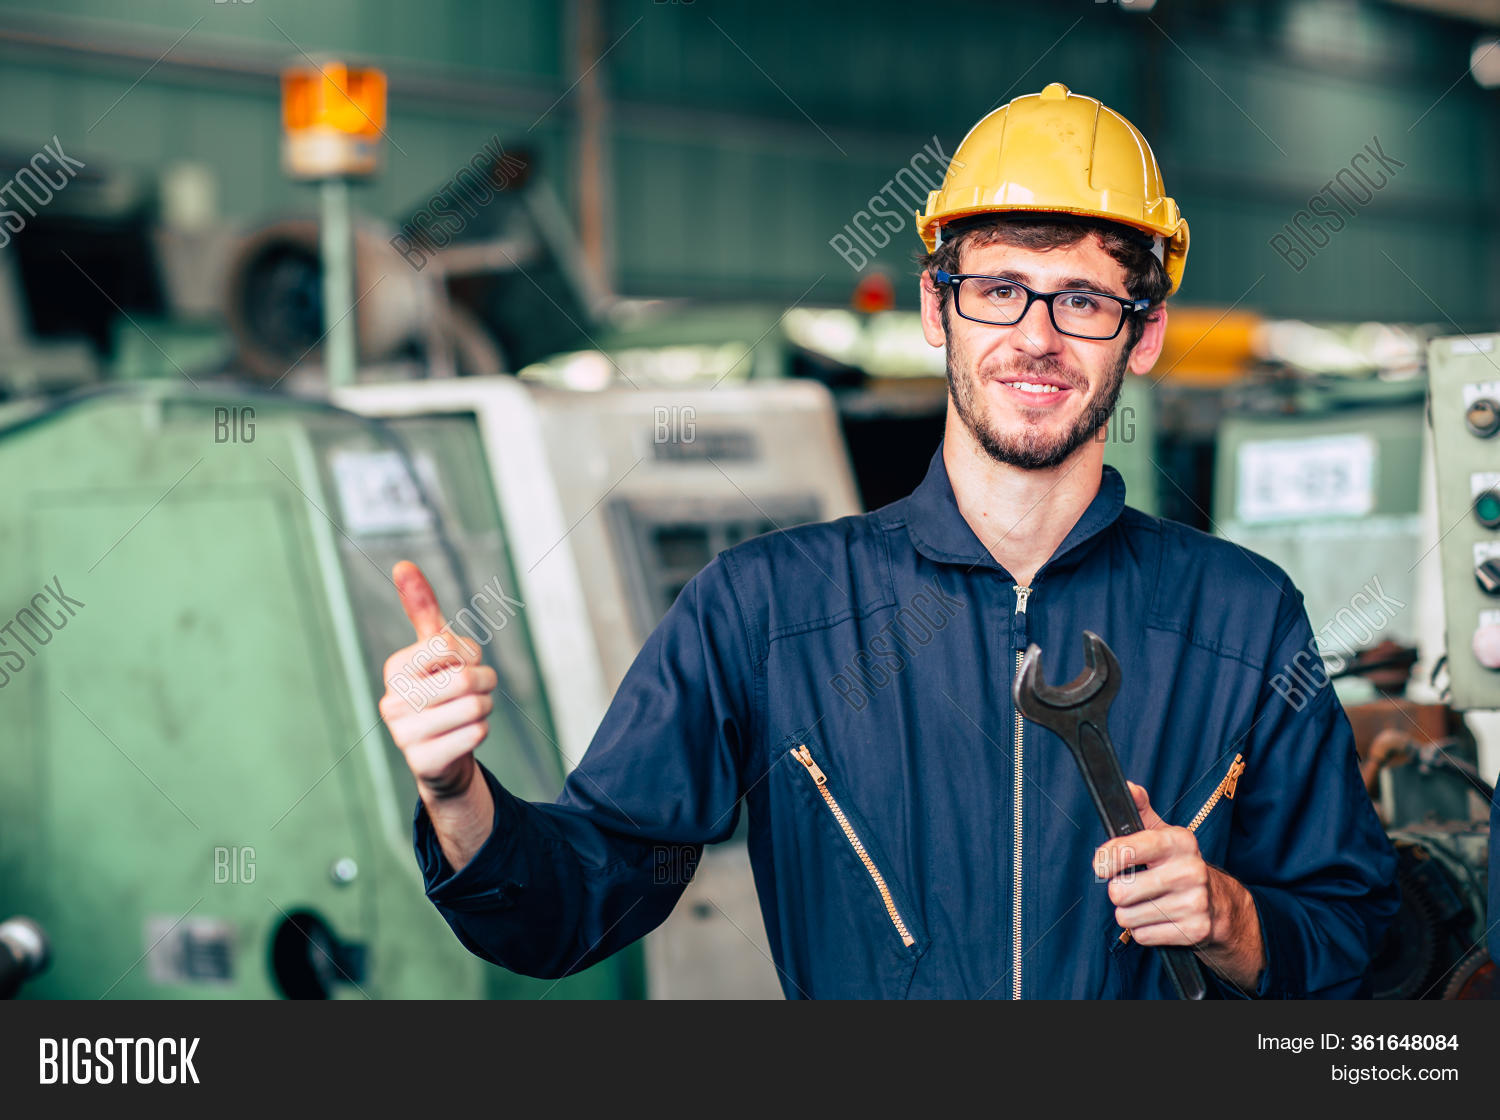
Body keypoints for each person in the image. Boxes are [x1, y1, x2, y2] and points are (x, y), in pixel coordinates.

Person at [377, 83, 1398, 998]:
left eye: (1083, 299)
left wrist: (1231, 918)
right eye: (999, 289)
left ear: (1146, 331)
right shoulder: (768, 610)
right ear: (935, 307)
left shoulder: (1244, 618)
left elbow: (1354, 940)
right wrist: (458, 790)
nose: (1035, 335)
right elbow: (574, 901)